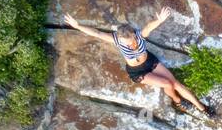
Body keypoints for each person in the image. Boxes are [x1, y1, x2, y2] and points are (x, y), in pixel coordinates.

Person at [62, 6, 213, 116]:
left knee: (176, 83)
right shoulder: (116, 39)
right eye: (124, 41)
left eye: (129, 40)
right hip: (138, 71)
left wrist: (159, 20)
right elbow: (96, 33)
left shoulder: (140, 35)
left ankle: (202, 108)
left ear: (133, 34)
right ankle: (177, 101)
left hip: (150, 62)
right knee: (167, 84)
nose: (128, 43)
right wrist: (77, 26)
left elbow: (149, 27)